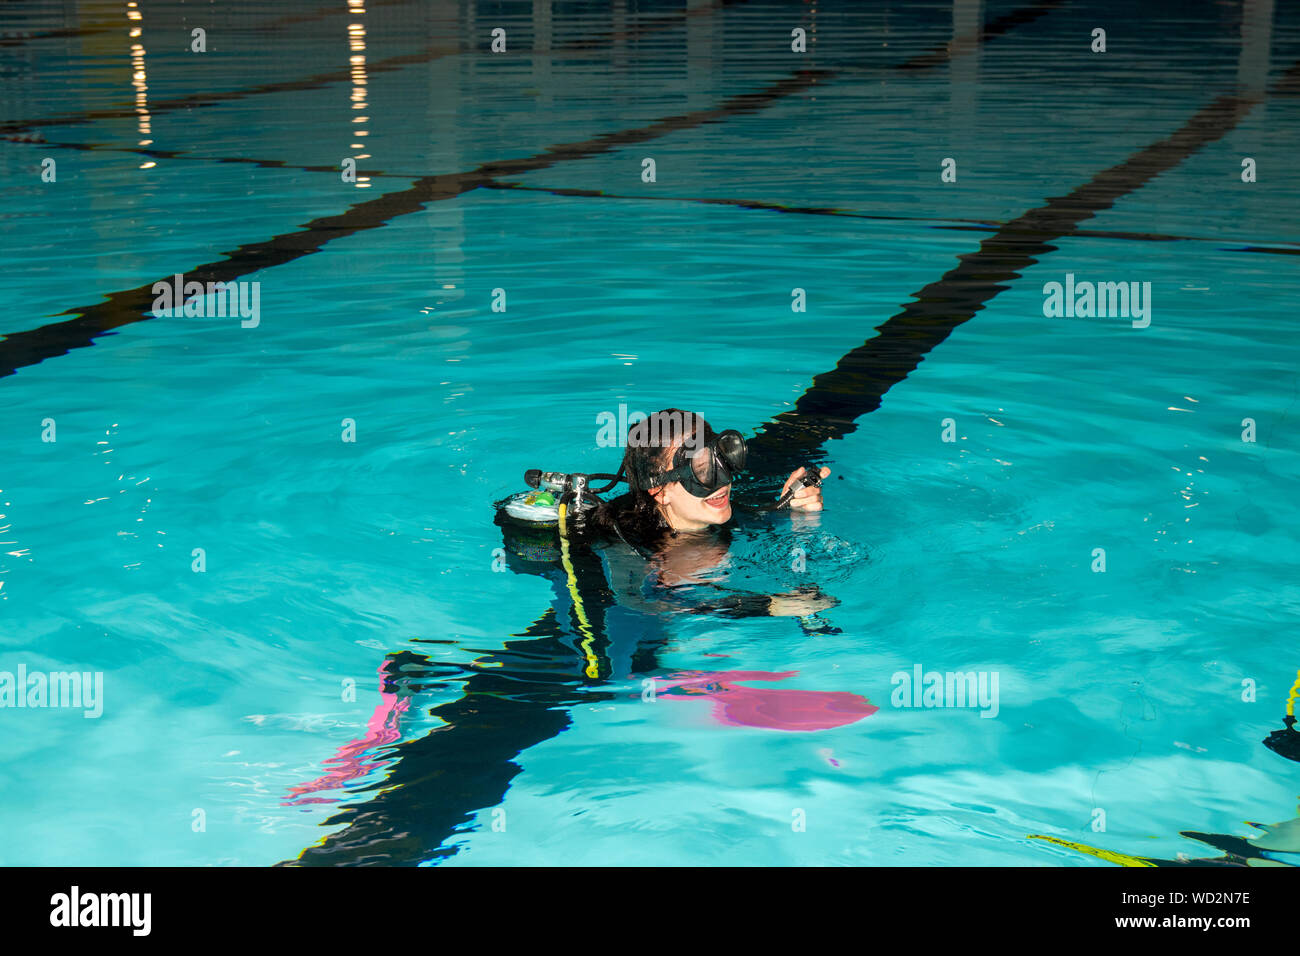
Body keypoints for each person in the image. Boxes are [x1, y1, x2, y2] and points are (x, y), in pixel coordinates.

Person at [578, 408, 837, 619]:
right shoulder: (625, 544)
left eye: (721, 459)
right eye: (700, 471)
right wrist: (771, 605)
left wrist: (796, 508)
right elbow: (641, 603)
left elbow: (772, 524)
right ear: (659, 492)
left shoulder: (713, 508)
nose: (723, 481)